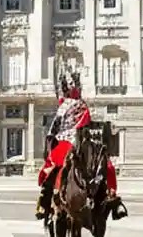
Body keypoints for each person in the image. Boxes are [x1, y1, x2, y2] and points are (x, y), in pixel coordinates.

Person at [35, 71, 128, 221]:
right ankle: (113, 198)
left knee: (52, 167)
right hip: (77, 141)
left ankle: (45, 201)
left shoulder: (71, 105)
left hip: (72, 141)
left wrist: (50, 144)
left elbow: (53, 129)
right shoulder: (74, 105)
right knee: (107, 165)